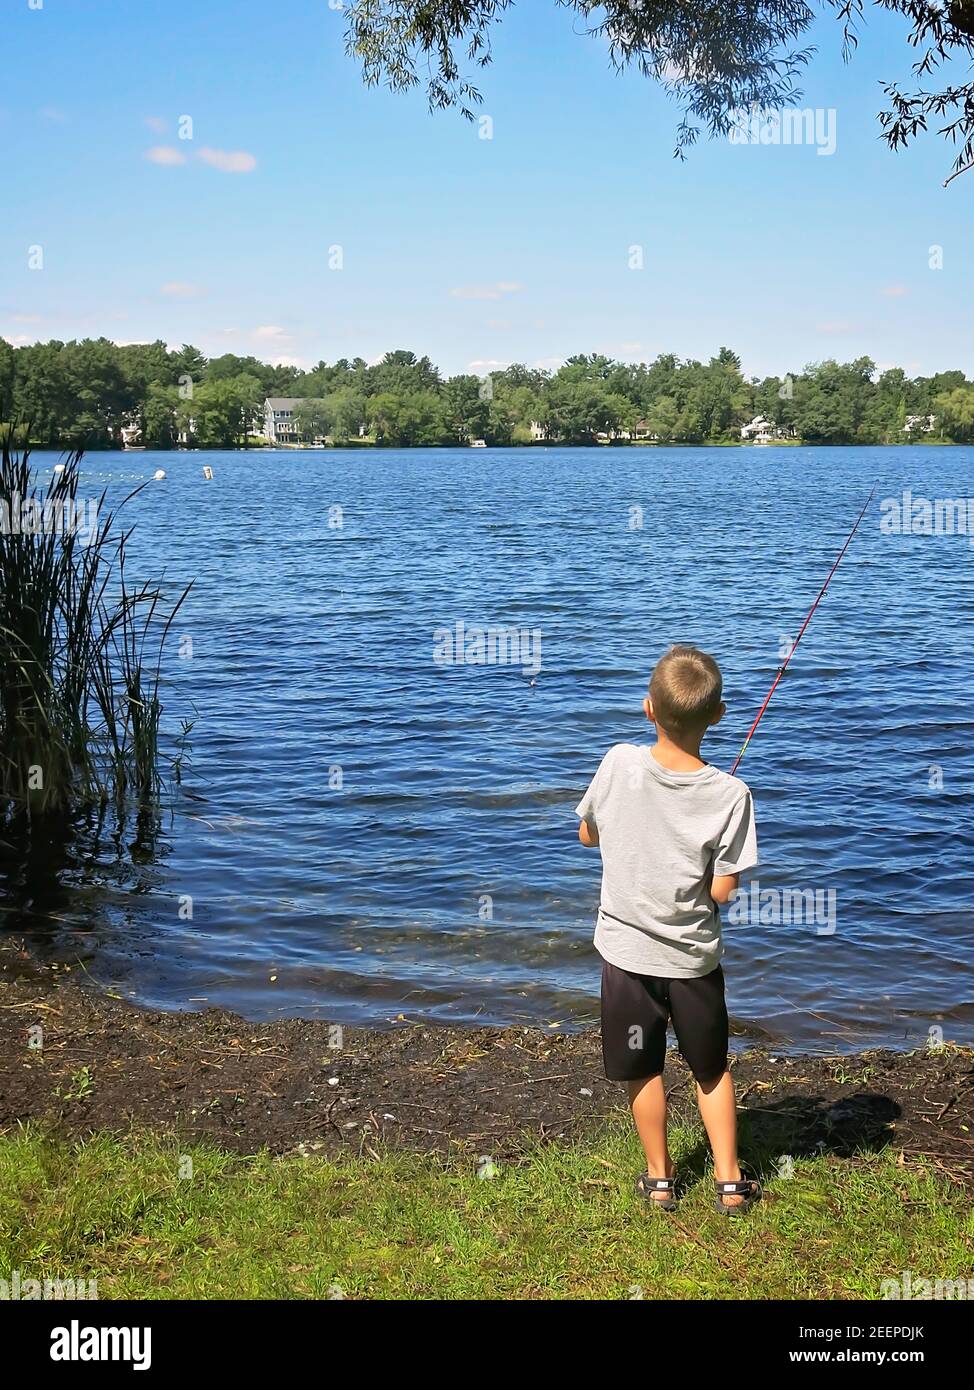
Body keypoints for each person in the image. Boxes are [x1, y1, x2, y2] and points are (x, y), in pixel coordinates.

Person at [576, 644, 761, 1215]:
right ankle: (729, 1181)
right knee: (711, 1069)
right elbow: (722, 893)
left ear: (647, 709)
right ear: (719, 715)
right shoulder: (732, 795)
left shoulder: (618, 762)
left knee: (643, 1068)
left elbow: (588, 835)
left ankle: (660, 1179)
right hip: (694, 966)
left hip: (627, 960)